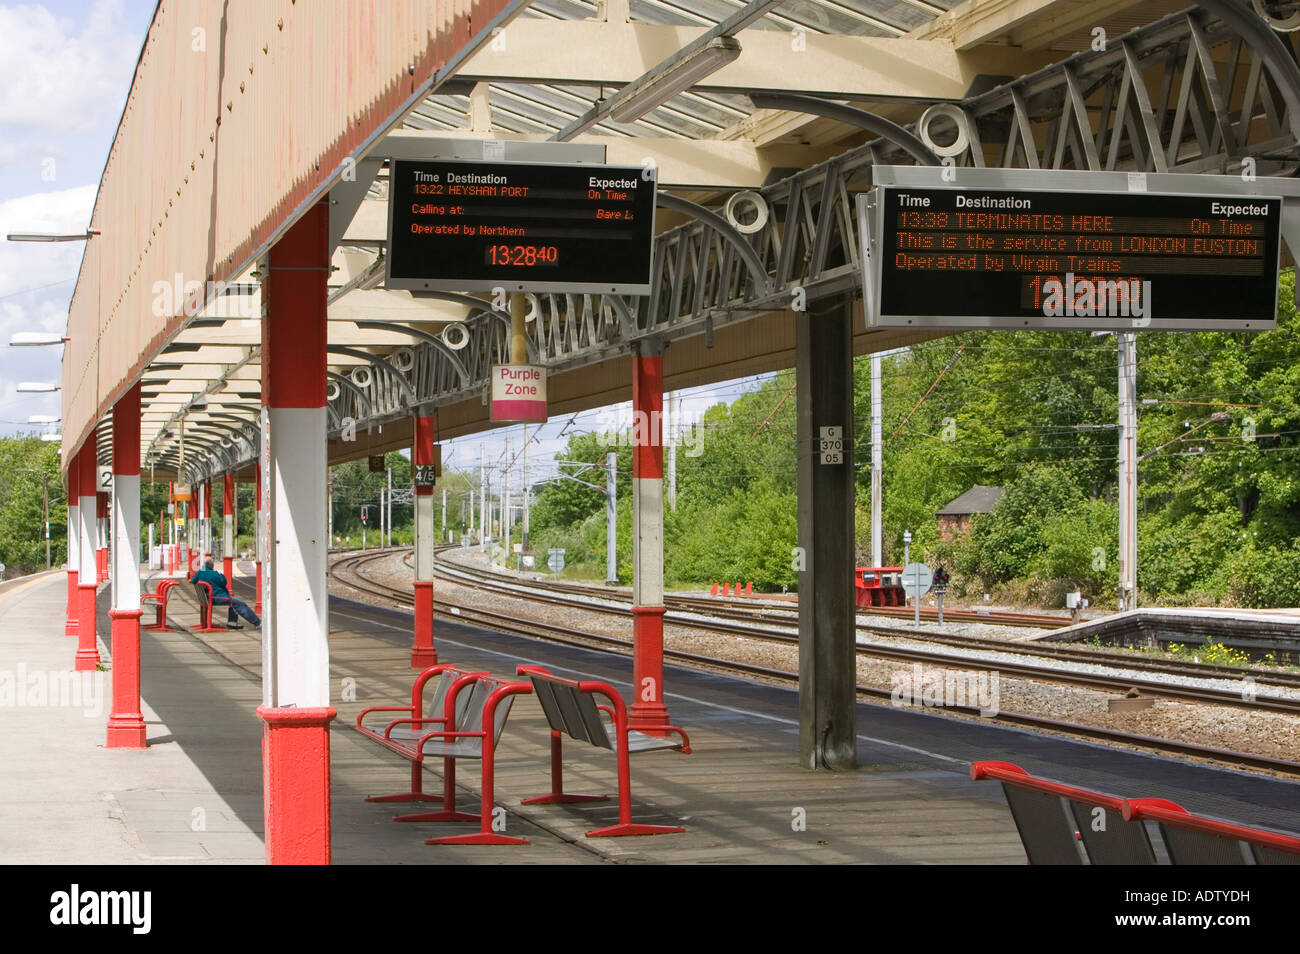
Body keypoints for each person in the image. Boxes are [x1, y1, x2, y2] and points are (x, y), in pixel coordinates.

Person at [191, 558, 261, 629]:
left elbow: (193, 580)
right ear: (212, 565)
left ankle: (232, 622)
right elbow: (224, 582)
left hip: (205, 598)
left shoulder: (200, 572)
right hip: (217, 598)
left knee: (234, 601)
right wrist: (220, 575)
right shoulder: (214, 574)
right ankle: (257, 622)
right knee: (240, 603)